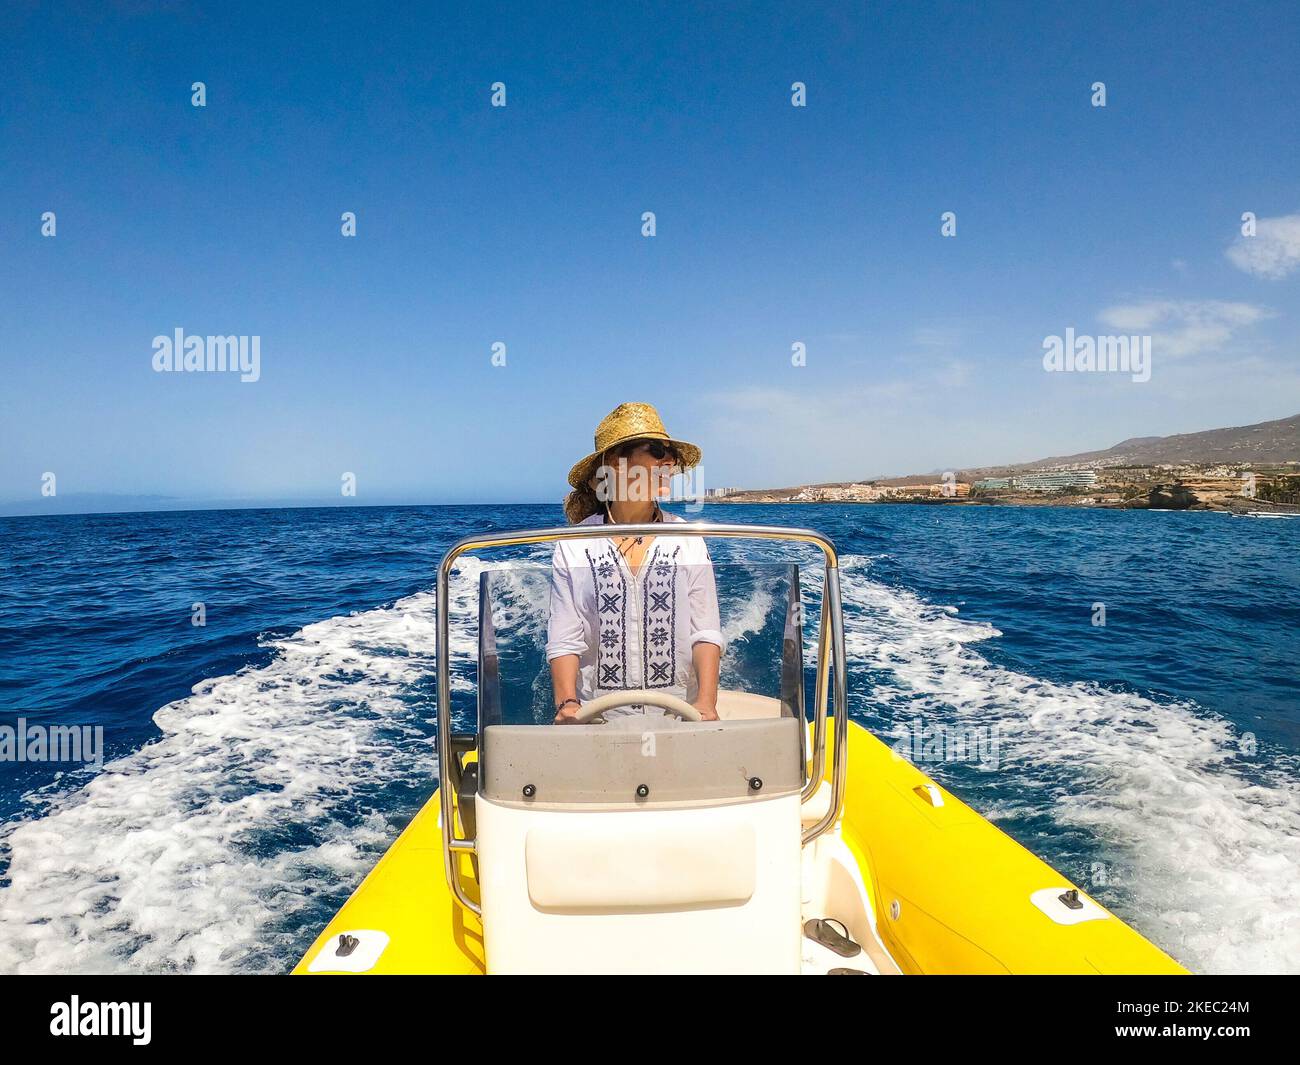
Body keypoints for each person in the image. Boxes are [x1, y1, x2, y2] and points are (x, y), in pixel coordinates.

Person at [546, 402, 724, 723]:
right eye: (656, 450)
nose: (668, 460)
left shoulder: (687, 538)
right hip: (597, 719)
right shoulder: (574, 544)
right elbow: (563, 638)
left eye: (671, 453)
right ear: (615, 461)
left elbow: (706, 631)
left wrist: (706, 703)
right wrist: (567, 704)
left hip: (679, 717)